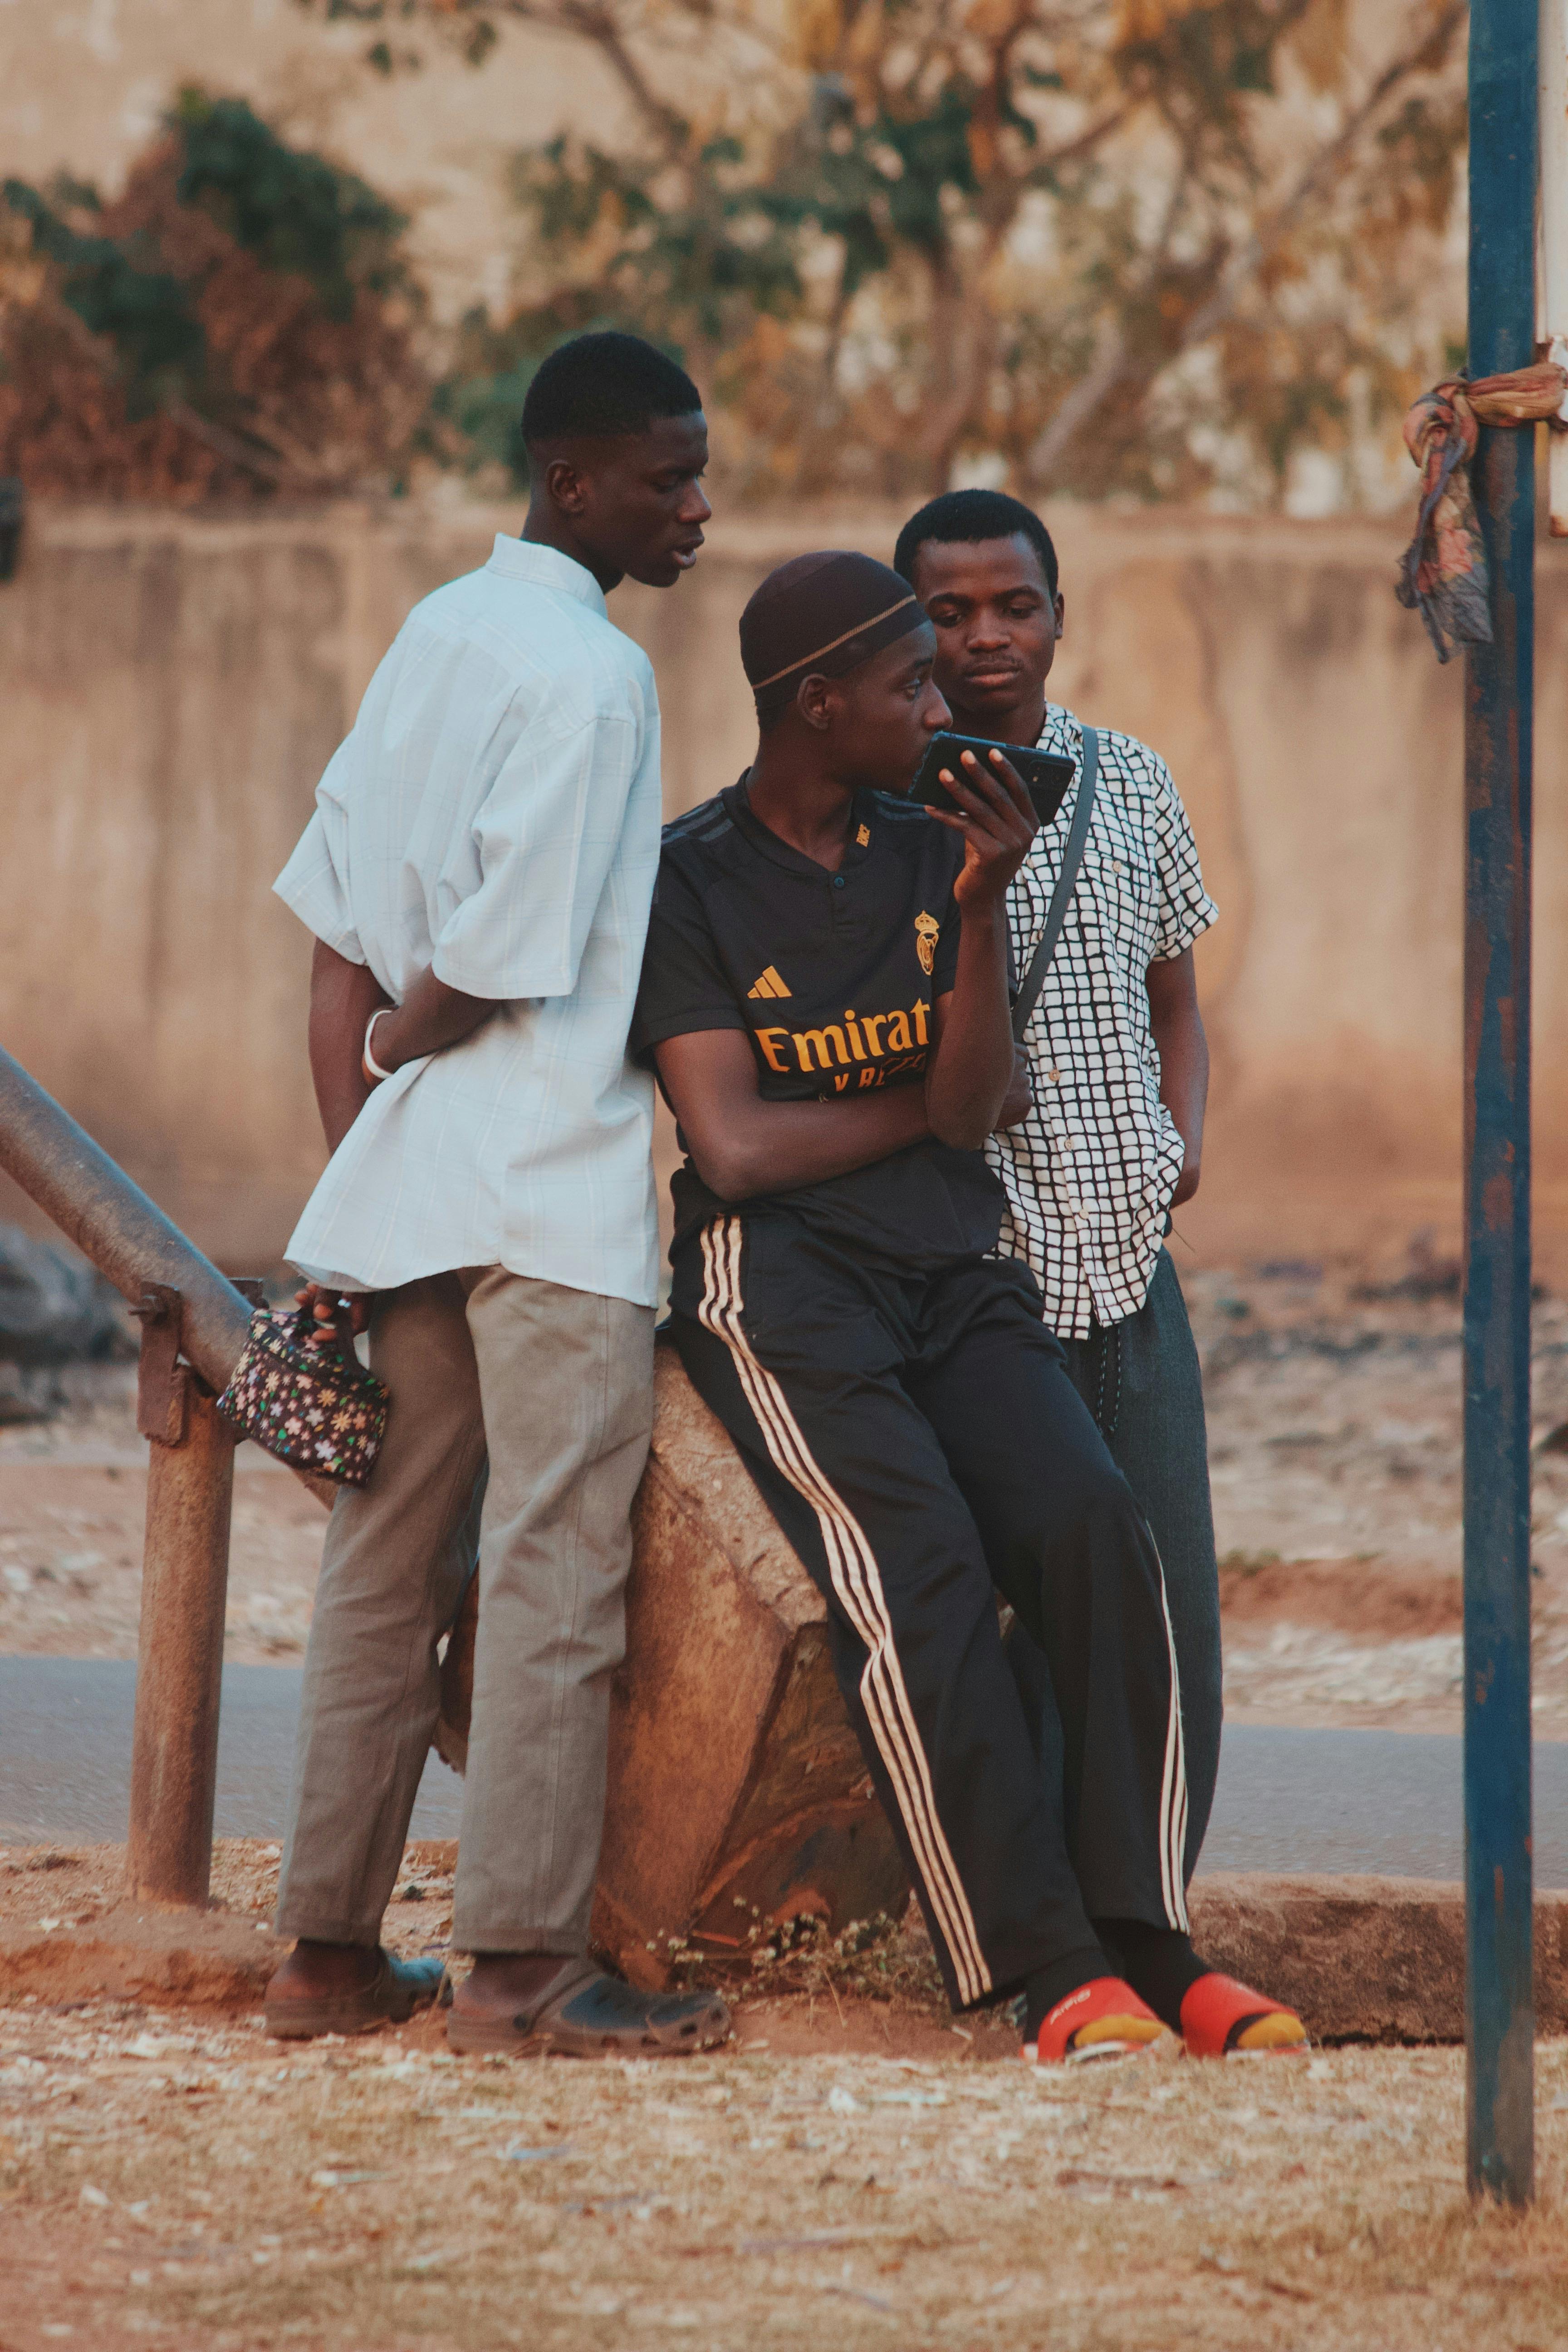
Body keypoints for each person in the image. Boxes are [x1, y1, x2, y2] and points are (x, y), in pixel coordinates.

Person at [631, 548, 1303, 2060]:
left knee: (1093, 1526)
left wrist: (988, 898)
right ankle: (1046, 1968)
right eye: (912, 680)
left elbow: (980, 1096)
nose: (949, 698)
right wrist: (920, 1115)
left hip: (953, 1262)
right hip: (783, 1282)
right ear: (820, 705)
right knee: (917, 1578)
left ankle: (1151, 1941)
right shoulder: (691, 878)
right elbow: (735, 1146)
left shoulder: (935, 843)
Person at [262, 331, 731, 2060]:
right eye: (668, 478)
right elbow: (499, 956)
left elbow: (332, 906)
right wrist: (411, 1026)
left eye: (699, 473)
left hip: (420, 1186)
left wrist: (363, 1129)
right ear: (570, 481)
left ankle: (322, 1958)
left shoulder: (434, 633)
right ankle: (522, 1973)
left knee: (386, 1567)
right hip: (546, 1186)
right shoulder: (594, 674)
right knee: (549, 1569)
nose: (697, 507)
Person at [895, 489, 1224, 1880]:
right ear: (907, 632)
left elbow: (1180, 1004)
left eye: (1014, 606)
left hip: (1131, 1275)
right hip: (984, 1294)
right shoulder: (881, 813)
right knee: (1000, 1629)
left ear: (1058, 619)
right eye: (950, 615)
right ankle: (1035, 1929)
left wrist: (1181, 1142)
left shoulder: (1137, 781)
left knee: (1171, 1625)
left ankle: (1155, 1919)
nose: (986, 639)